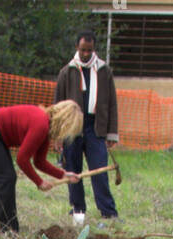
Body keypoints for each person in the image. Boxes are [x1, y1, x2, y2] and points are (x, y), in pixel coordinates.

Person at [0, 101, 82, 233]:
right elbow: (22, 159)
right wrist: (39, 182)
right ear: (64, 122)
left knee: (6, 177)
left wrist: (63, 175)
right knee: (4, 178)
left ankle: (8, 228)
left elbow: (39, 162)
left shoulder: (45, 127)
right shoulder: (40, 124)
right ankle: (2, 229)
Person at [54, 30, 120, 224]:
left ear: (94, 49)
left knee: (99, 170)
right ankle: (77, 209)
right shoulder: (67, 72)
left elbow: (112, 103)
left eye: (89, 50)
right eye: (82, 50)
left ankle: (108, 212)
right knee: (72, 170)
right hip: (72, 128)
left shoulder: (104, 71)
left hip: (95, 127)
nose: (85, 54)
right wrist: (57, 135)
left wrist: (111, 134)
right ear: (77, 47)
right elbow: (58, 106)